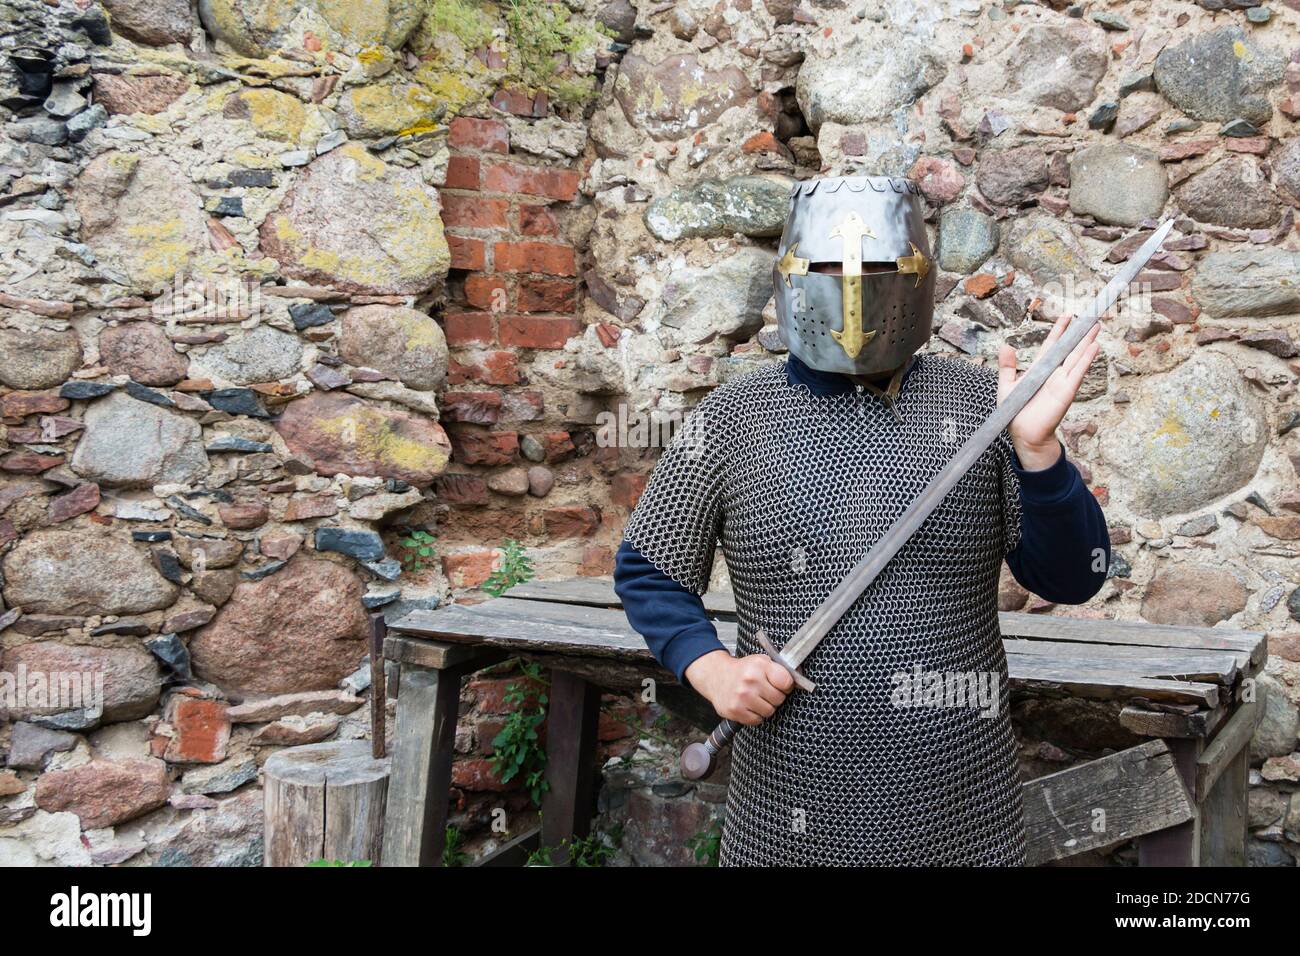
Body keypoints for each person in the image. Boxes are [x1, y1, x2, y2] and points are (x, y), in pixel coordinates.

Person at [613, 175, 1110, 866]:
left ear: (918, 279)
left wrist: (1039, 452)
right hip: (789, 798)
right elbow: (649, 570)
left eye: (879, 269)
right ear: (792, 279)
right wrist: (711, 670)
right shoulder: (733, 419)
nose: (853, 294)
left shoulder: (986, 406)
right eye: (827, 269)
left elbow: (1072, 577)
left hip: (959, 799)